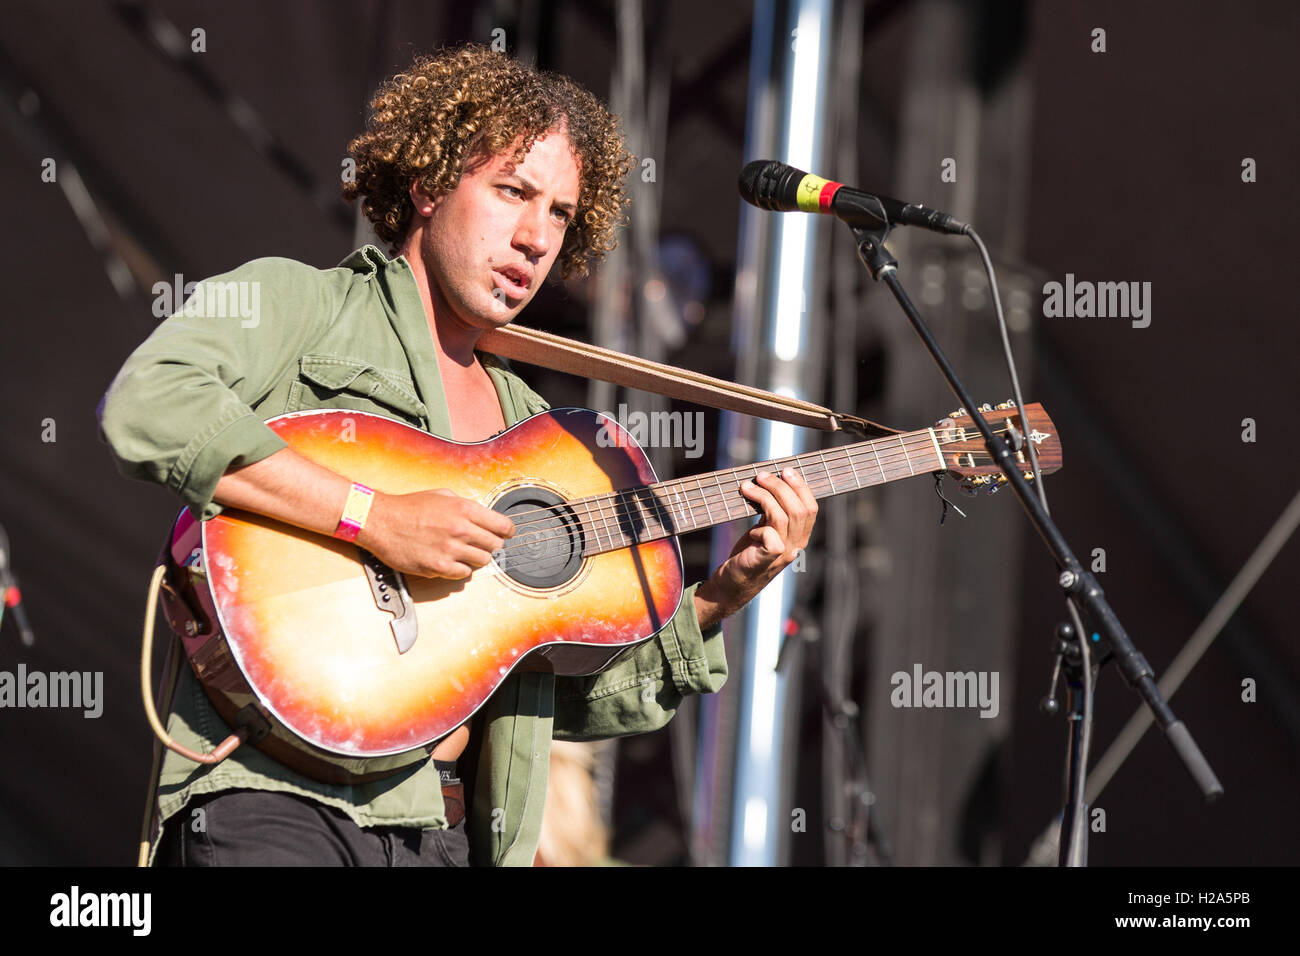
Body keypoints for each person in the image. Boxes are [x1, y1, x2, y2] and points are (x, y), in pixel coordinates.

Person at [99, 43, 816, 867]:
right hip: (275, 803)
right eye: (513, 191)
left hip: (441, 836)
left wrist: (721, 594)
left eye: (558, 213)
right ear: (431, 182)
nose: (534, 236)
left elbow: (551, 691)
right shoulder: (298, 303)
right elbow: (148, 405)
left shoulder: (538, 431)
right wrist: (373, 517)